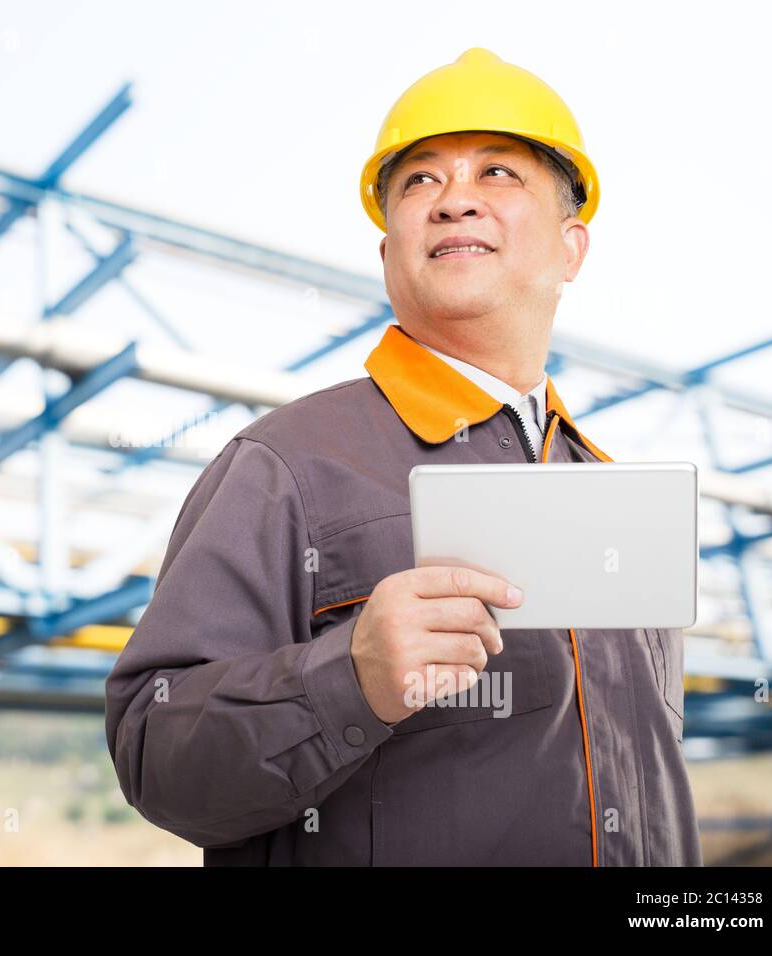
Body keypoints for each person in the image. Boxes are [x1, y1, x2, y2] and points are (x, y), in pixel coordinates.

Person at [104, 48, 700, 866]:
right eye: (419, 182)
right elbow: (153, 751)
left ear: (571, 249)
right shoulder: (286, 466)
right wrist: (347, 679)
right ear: (390, 257)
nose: (455, 200)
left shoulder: (618, 502)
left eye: (498, 173)